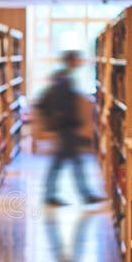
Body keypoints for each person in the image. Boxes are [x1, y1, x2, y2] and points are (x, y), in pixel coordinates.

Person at [40, 50, 104, 206]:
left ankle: (54, 194)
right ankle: (83, 195)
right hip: (65, 127)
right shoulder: (63, 79)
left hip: (65, 126)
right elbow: (61, 103)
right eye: (77, 60)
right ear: (72, 61)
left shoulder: (64, 77)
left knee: (64, 162)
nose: (80, 63)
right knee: (70, 162)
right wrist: (67, 121)